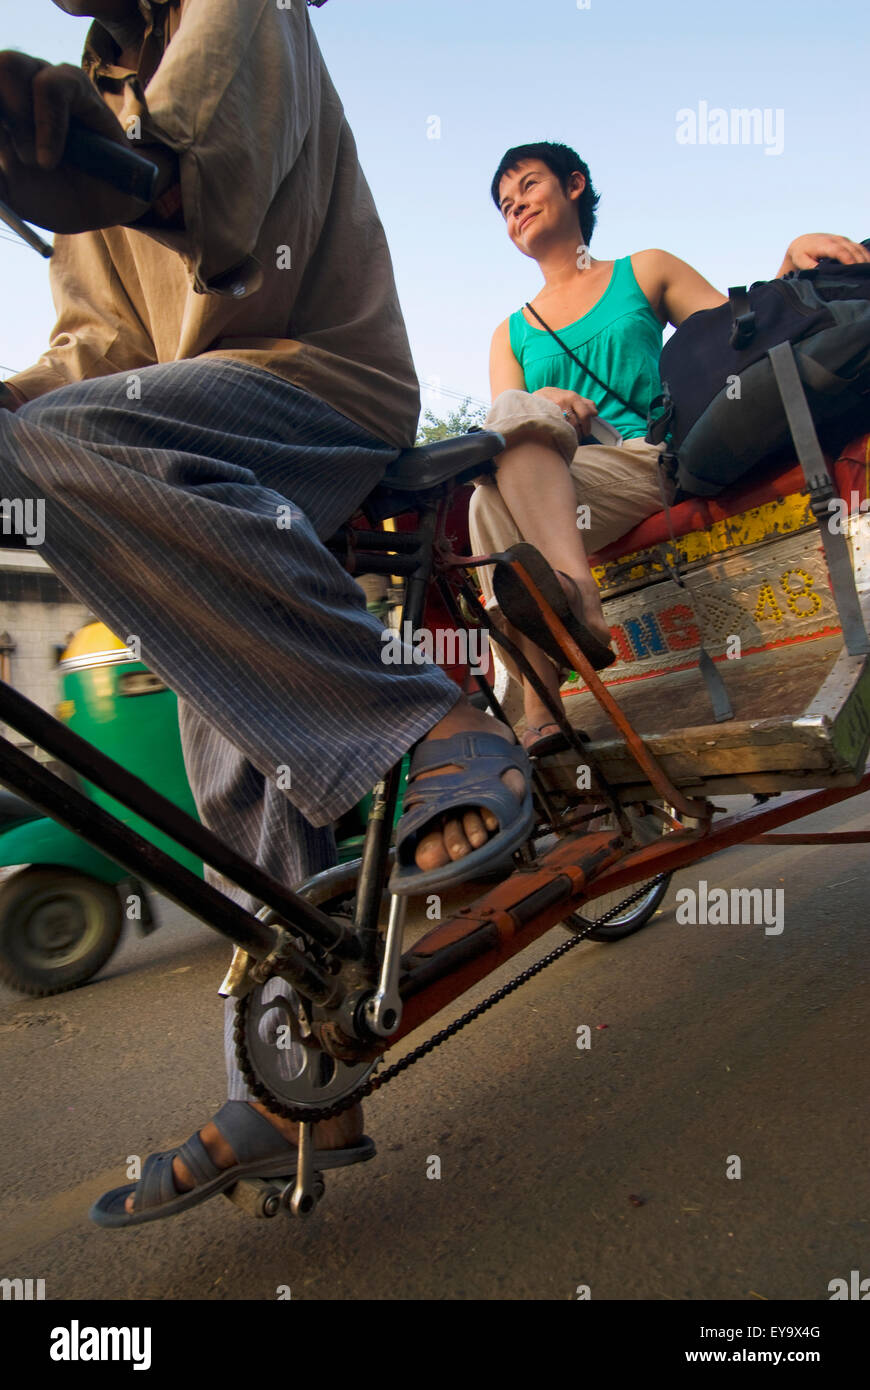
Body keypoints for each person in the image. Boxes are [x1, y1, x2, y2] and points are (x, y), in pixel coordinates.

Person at [0, 0, 532, 1226]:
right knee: (222, 717)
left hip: (320, 382)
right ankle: (299, 1075)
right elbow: (89, 350)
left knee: (72, 441)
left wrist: (97, 167)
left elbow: (208, 188)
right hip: (170, 416)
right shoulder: (94, 76)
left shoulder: (237, 8)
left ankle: (423, 719)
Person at [469, 141, 870, 753]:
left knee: (494, 480)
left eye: (526, 185)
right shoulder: (511, 331)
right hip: (562, 487)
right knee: (490, 478)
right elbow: (508, 430)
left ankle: (555, 664)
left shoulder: (644, 269)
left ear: (574, 185)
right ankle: (553, 683)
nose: (515, 206)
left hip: (648, 459)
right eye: (503, 204)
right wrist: (550, 401)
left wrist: (789, 268)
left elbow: (737, 342)